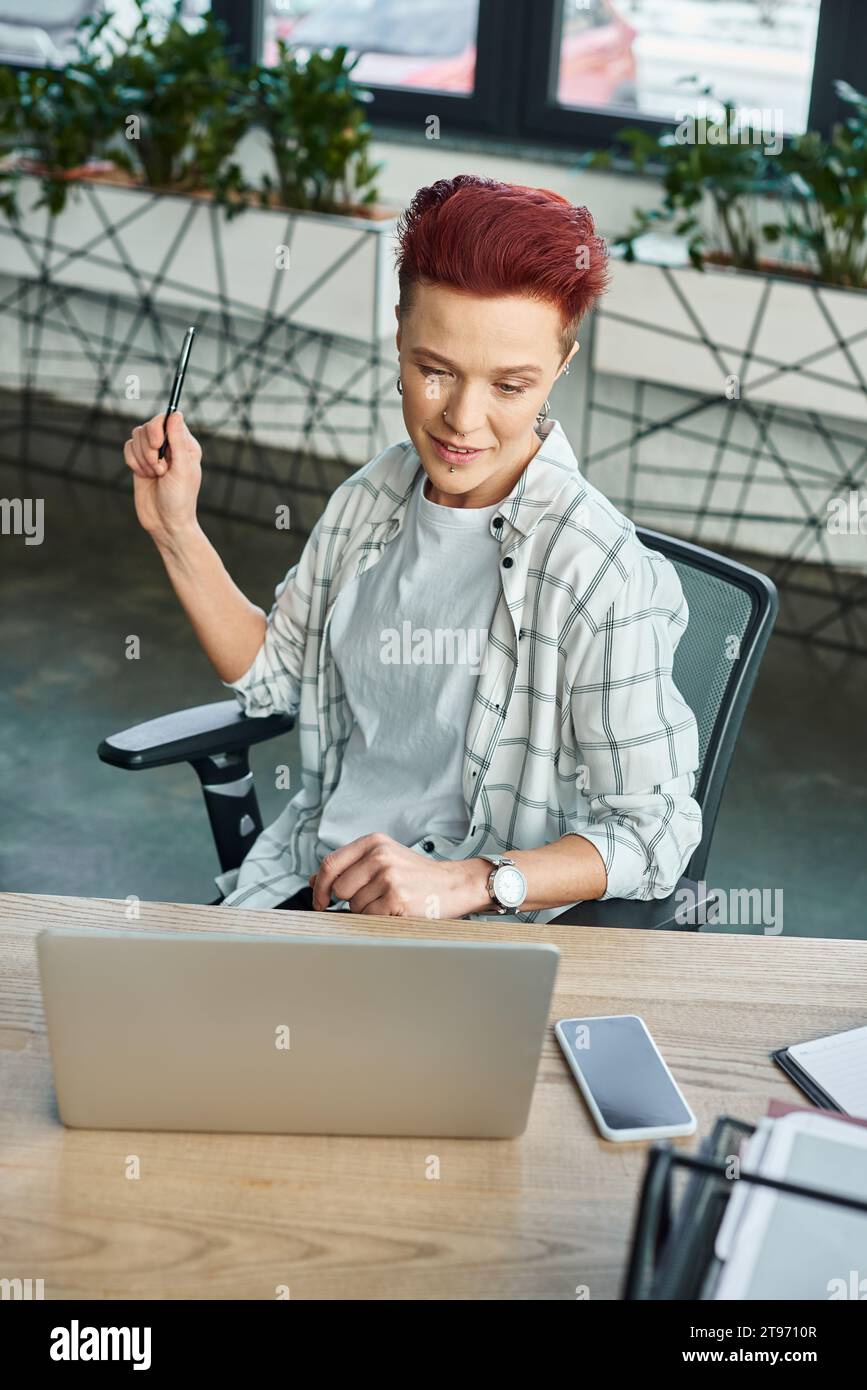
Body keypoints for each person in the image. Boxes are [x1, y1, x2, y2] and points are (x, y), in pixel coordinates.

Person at [123, 174, 701, 925]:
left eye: (510, 385)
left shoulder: (596, 571)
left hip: (466, 933)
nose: (463, 420)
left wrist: (471, 881)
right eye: (435, 371)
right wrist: (176, 530)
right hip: (311, 883)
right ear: (398, 333)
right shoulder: (372, 497)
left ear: (560, 365)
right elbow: (275, 679)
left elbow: (655, 833)